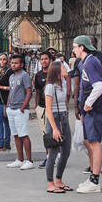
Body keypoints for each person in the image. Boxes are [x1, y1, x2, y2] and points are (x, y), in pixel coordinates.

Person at [72, 36, 102, 193]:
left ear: (82, 47)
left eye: (75, 47)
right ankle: (93, 178)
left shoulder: (89, 63)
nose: (73, 49)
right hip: (90, 111)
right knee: (90, 142)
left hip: (95, 110)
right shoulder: (86, 62)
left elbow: (99, 86)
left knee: (94, 144)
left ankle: (94, 181)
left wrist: (88, 104)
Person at [42, 59, 72, 193]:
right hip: (54, 119)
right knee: (53, 153)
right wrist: (54, 128)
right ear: (58, 71)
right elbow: (48, 109)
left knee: (66, 152)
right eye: (64, 68)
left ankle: (59, 180)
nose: (66, 69)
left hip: (64, 118)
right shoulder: (50, 86)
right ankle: (50, 183)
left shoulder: (63, 83)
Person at [4, 52, 34, 170]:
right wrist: (7, 106)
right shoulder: (11, 77)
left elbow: (29, 92)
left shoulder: (24, 75)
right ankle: (20, 159)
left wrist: (23, 106)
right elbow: (11, 92)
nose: (13, 65)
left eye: (16, 63)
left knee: (23, 135)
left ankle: (29, 160)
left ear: (21, 64)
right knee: (16, 135)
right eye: (12, 63)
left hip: (20, 109)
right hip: (11, 108)